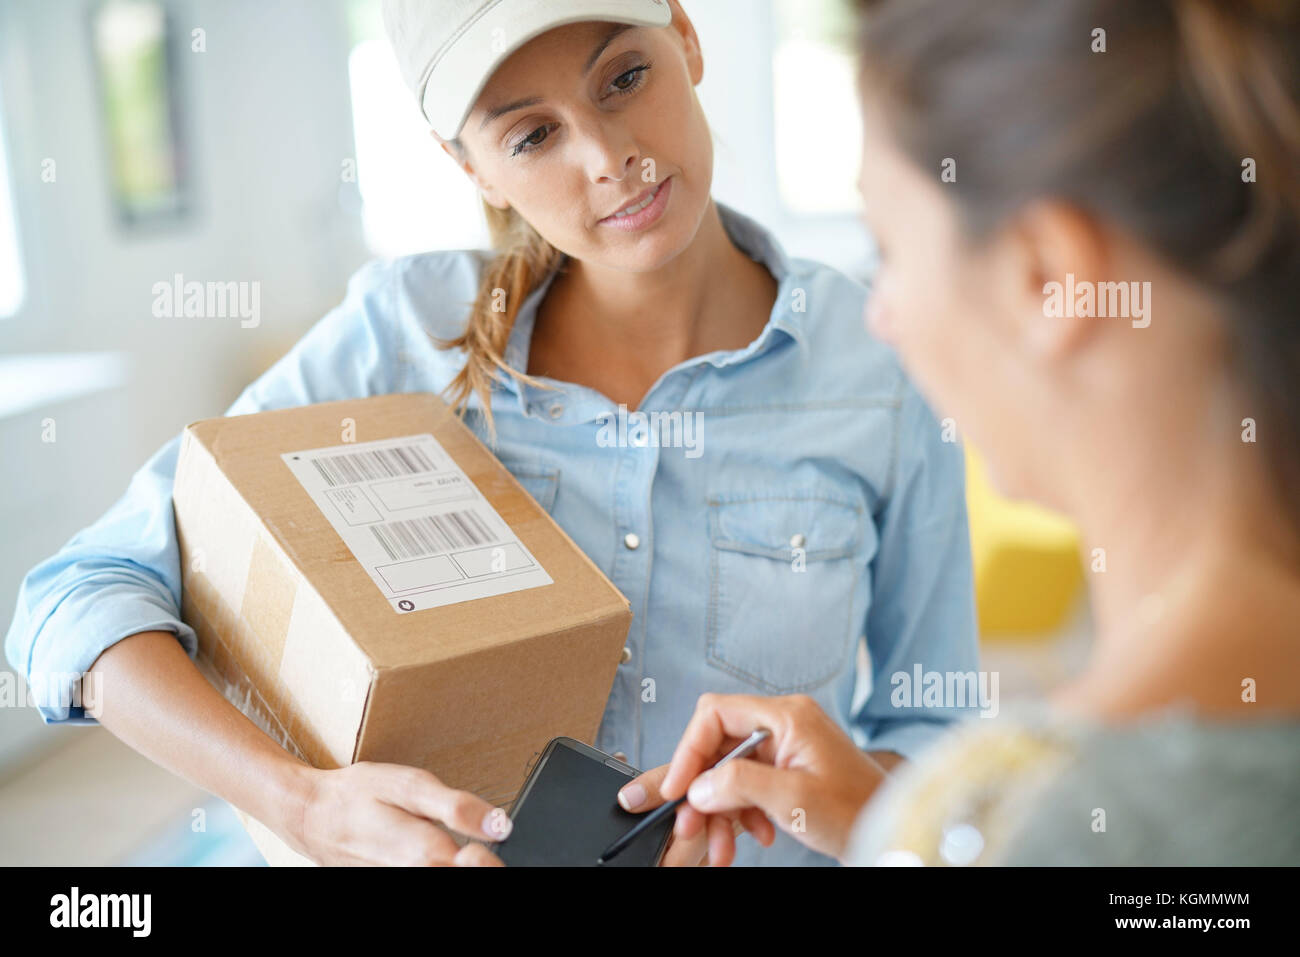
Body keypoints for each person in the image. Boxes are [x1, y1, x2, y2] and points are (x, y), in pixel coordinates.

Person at [4, 0, 978, 866]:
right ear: (470, 166)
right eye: (531, 136)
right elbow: (74, 600)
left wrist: (838, 807)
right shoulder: (399, 338)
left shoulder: (883, 358)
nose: (606, 159)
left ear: (684, 34)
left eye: (625, 77)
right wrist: (297, 805)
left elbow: (935, 728)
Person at [622, 0, 1300, 866]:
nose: (881, 315)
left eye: (889, 250)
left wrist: (933, 838)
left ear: (1049, 279)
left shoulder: (1022, 819)